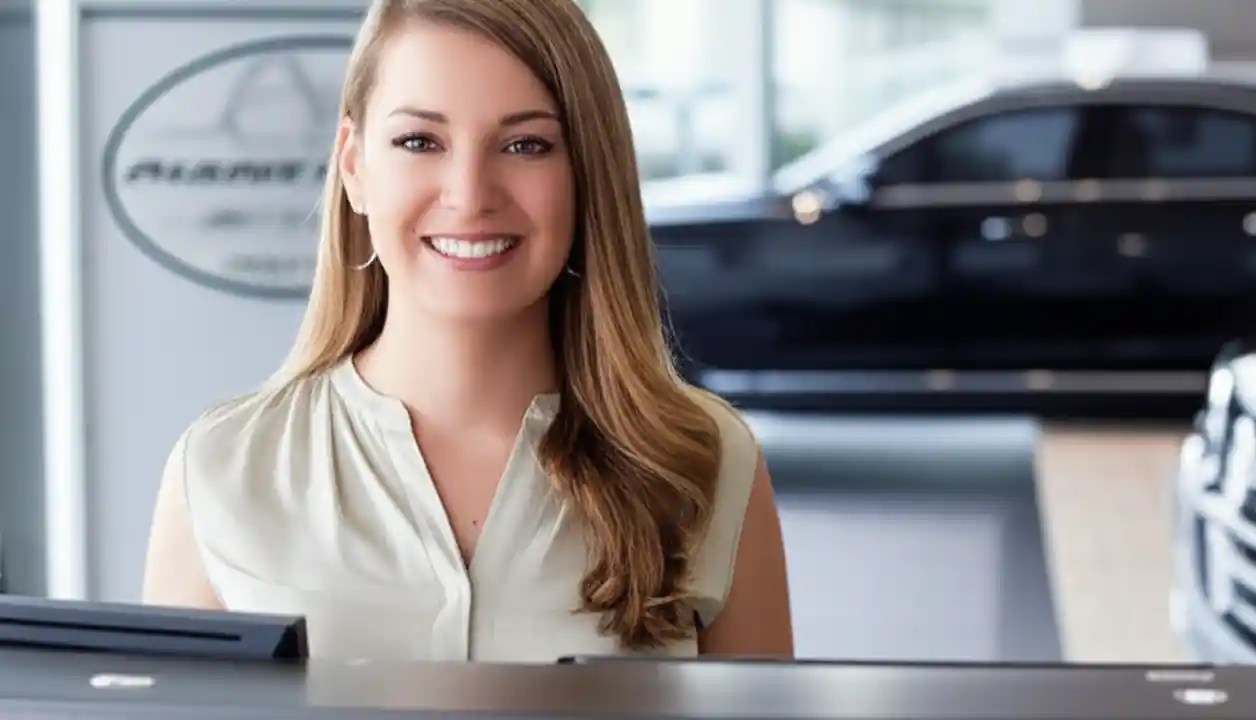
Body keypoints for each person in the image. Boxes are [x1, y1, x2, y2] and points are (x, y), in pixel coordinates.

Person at [142, 0, 793, 663]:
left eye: (525, 145)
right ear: (354, 166)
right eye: (419, 142)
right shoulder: (221, 467)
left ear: (588, 177)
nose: (470, 192)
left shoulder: (704, 462)